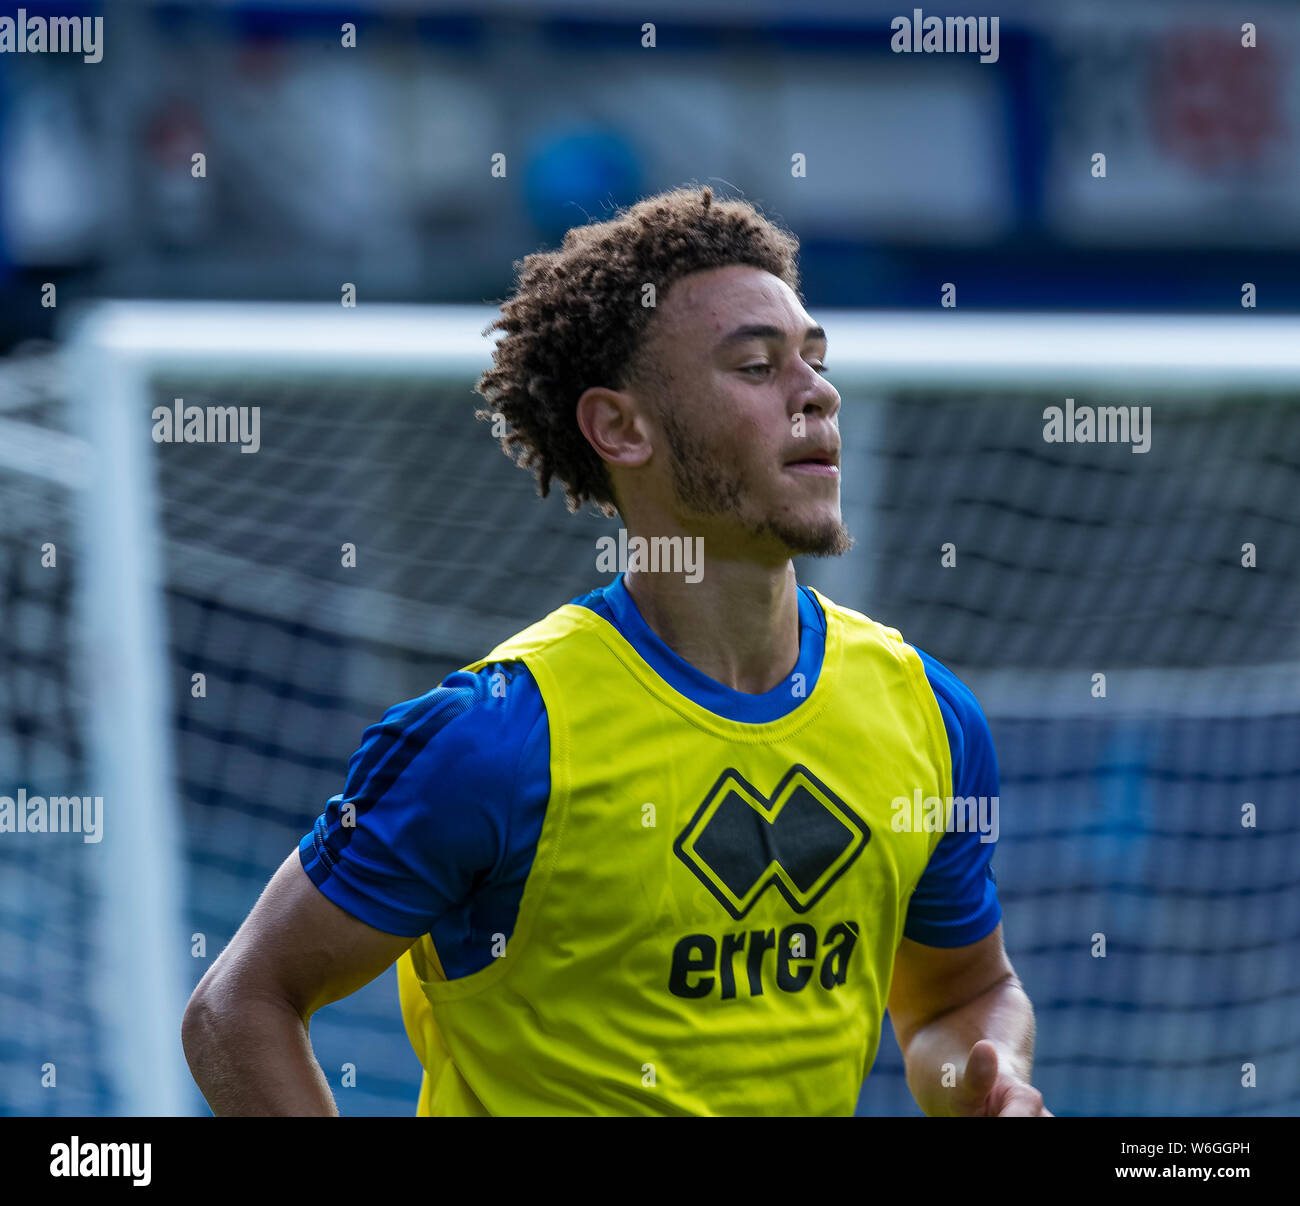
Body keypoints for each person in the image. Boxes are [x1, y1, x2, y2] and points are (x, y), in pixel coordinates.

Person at [182, 184, 1050, 1118]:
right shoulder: (497, 741)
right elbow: (238, 1008)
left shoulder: (928, 714)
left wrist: (980, 1077)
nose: (817, 393)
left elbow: (959, 998)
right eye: (757, 367)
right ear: (620, 427)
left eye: (814, 360)